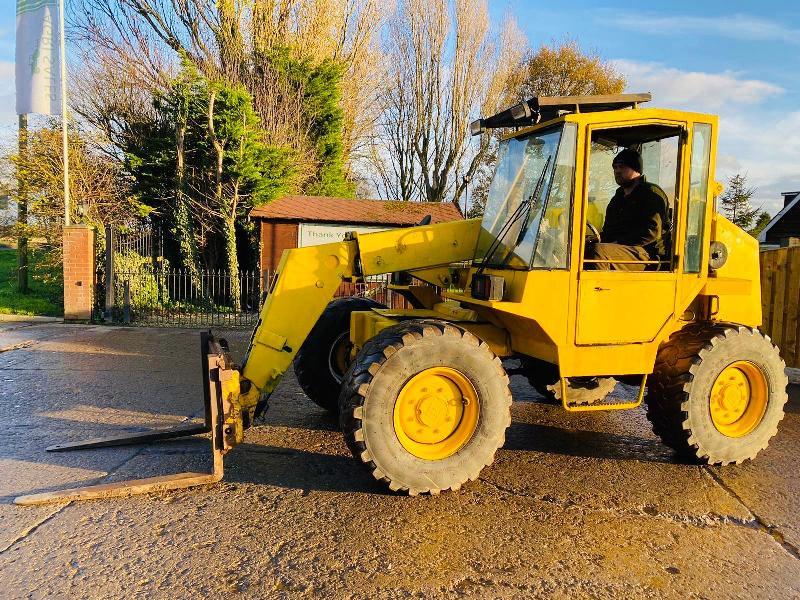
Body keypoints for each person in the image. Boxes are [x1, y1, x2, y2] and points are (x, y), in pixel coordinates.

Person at [586, 148, 668, 271]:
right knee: (582, 248)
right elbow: (609, 231)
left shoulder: (651, 193)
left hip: (647, 254)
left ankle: (597, 288)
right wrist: (591, 239)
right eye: (615, 167)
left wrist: (617, 243)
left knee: (599, 252)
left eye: (622, 167)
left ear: (636, 169)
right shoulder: (617, 198)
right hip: (621, 250)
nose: (617, 171)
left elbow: (651, 232)